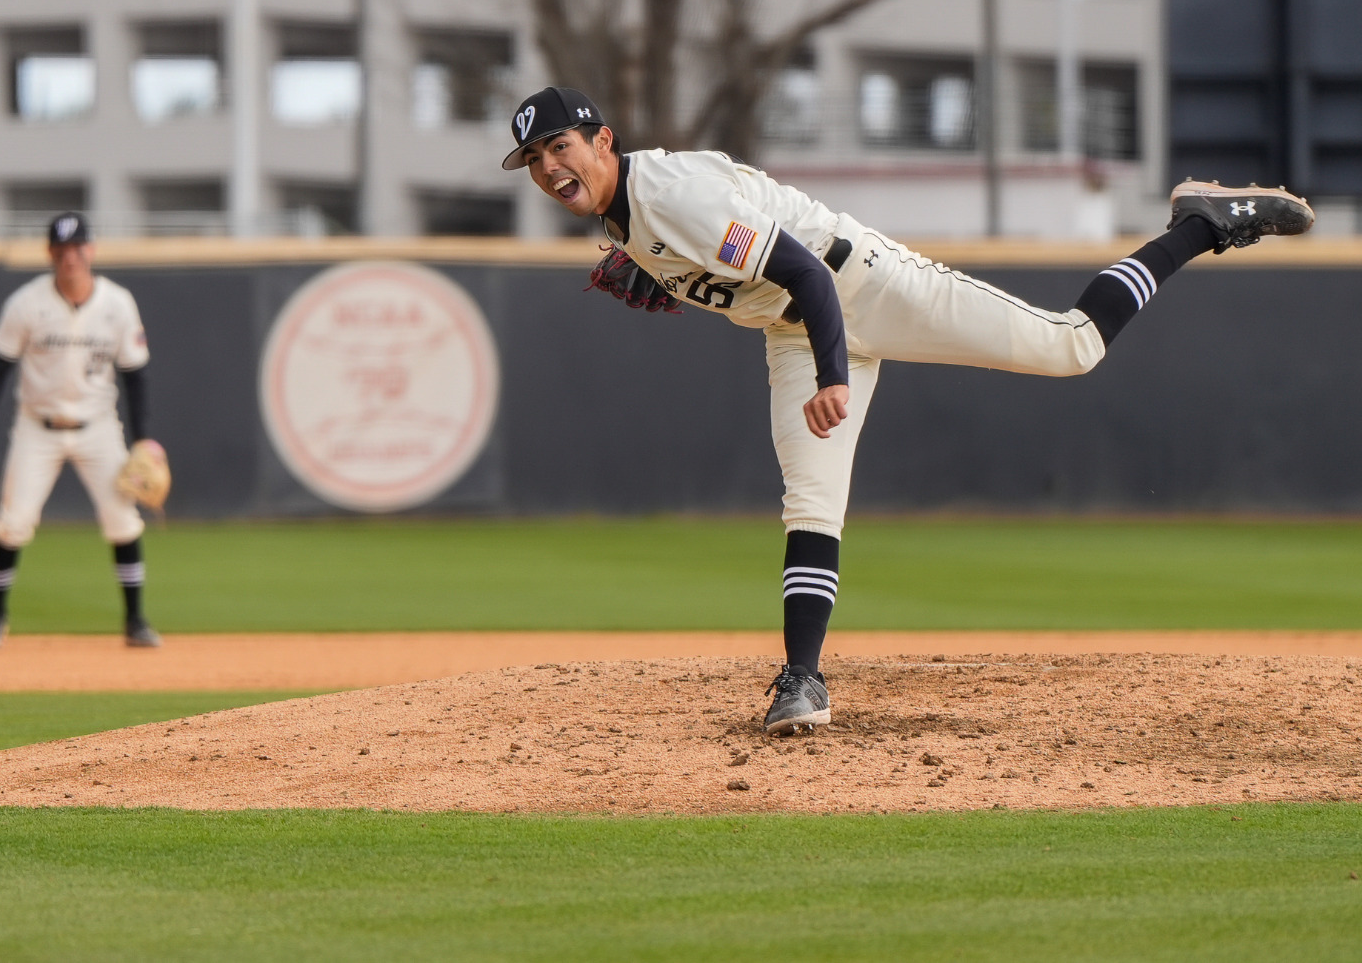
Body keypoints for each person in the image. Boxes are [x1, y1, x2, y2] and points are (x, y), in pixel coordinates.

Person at [502, 87, 1315, 734]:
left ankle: (1198, 224)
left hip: (865, 287)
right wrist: (665, 272)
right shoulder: (628, 214)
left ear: (602, 140)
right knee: (811, 498)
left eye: (560, 147)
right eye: (534, 159)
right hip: (796, 328)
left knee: (1072, 346)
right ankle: (803, 680)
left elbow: (808, 275)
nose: (547, 167)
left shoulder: (668, 195)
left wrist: (832, 376)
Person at [0, 212, 161, 648]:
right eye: (62, 250)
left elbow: (135, 374)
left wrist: (143, 438)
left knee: (123, 520)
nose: (70, 257)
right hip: (38, 427)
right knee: (13, 523)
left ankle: (136, 621)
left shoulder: (118, 303)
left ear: (91, 250)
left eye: (78, 248)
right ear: (50, 253)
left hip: (99, 427)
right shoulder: (26, 303)